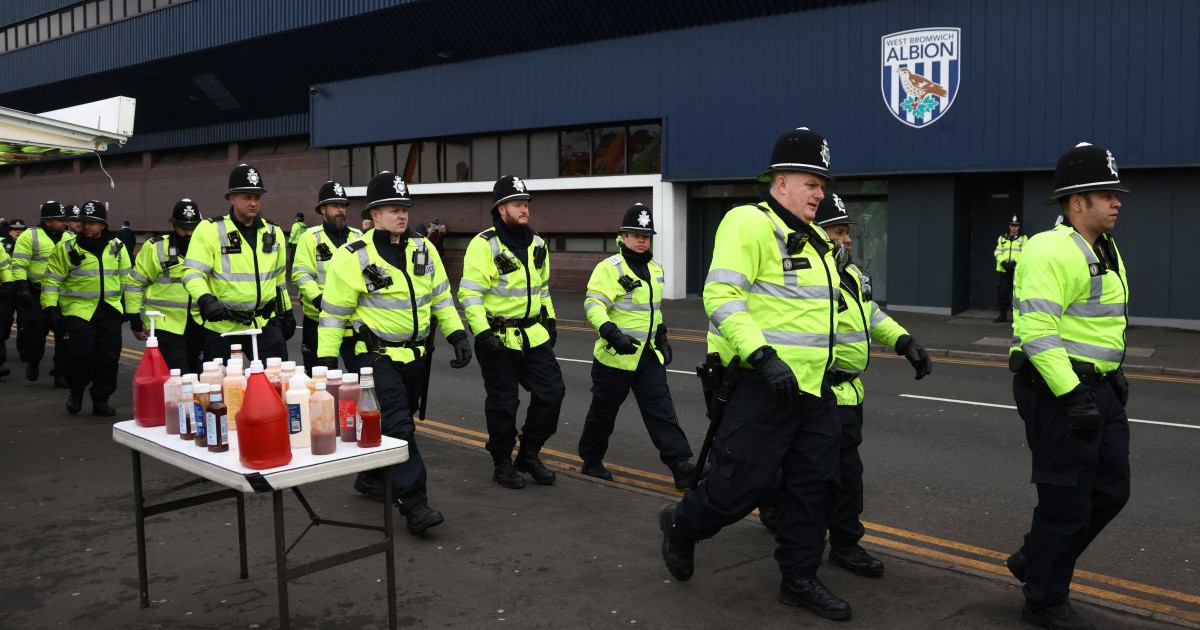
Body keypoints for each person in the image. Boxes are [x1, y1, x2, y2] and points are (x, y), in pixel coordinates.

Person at [658, 127, 851, 621]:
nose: (819, 194)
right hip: (763, 387)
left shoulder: (819, 242)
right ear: (781, 182)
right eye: (811, 183)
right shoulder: (748, 222)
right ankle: (682, 524)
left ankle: (799, 579)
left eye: (822, 185)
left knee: (812, 488)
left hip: (814, 391)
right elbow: (722, 296)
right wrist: (762, 356)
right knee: (739, 487)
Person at [1005, 142, 1132, 630]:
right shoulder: (1049, 249)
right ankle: (1043, 600)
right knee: (1067, 501)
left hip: (1097, 387)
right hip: (1059, 391)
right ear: (1078, 201)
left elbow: (1097, 322)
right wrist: (1074, 395)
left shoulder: (1103, 246)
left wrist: (1112, 372)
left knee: (1112, 490)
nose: (1117, 202)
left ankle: (1036, 556)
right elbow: (1037, 331)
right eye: (1107, 194)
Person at [317, 171, 471, 534]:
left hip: (417, 357)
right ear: (374, 214)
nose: (401, 215)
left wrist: (457, 334)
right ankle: (414, 504)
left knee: (397, 423)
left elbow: (441, 298)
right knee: (399, 425)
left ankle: (370, 478)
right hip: (376, 358)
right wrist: (325, 362)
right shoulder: (353, 257)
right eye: (392, 209)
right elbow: (333, 314)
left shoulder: (423, 248)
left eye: (404, 208)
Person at [791, 193, 932, 577]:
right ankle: (810, 547)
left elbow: (870, 314)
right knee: (819, 476)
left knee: (846, 476)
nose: (848, 239)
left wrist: (905, 342)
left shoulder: (851, 275)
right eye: (839, 231)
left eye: (847, 231)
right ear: (819, 234)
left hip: (849, 393)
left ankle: (844, 545)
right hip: (819, 391)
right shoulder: (807, 276)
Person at [578, 203, 701, 488]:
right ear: (622, 236)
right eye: (635, 235)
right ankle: (591, 460)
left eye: (646, 235)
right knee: (603, 413)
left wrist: (662, 337)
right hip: (615, 357)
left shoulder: (656, 269)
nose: (642, 240)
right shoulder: (609, 268)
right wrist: (611, 333)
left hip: (647, 357)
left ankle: (680, 466)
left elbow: (654, 311)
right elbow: (593, 304)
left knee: (662, 411)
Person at [458, 175, 565, 489]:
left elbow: (543, 289)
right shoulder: (484, 245)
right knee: (504, 404)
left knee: (552, 393)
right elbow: (470, 293)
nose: (524, 209)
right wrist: (482, 333)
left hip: (533, 334)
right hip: (498, 336)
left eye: (526, 203)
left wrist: (551, 321)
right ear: (500, 209)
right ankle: (502, 461)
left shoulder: (537, 243)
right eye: (517, 204)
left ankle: (529, 454)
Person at [182, 163, 296, 362]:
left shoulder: (273, 231)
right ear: (232, 198)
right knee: (220, 381)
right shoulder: (210, 230)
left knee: (276, 379)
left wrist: (286, 311)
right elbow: (192, 272)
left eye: (257, 197)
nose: (253, 203)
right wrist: (206, 299)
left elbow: (279, 280)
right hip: (223, 326)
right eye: (247, 197)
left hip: (264, 324)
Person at [41, 200, 138, 416]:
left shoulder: (117, 247)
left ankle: (101, 399)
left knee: (108, 359)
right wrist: (49, 307)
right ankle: (76, 391)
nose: (86, 226)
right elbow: (51, 280)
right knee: (80, 356)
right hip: (79, 311)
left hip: (110, 311)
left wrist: (130, 310)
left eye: (92, 222)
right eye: (83, 222)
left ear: (102, 224)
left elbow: (128, 280)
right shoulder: (66, 248)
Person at [125, 199, 207, 374]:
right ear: (174, 226)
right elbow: (135, 283)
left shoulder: (207, 248)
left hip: (200, 324)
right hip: (165, 324)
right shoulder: (156, 248)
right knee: (178, 376)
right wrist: (134, 318)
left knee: (200, 376)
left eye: (193, 228)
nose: (189, 233)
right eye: (184, 228)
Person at [292, 181, 362, 373]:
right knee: (319, 379)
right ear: (323, 209)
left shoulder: (358, 237)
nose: (340, 210)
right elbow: (301, 273)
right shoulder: (310, 237)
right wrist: (319, 299)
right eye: (335, 206)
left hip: (352, 321)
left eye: (343, 206)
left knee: (360, 378)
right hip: (318, 320)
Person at [11, 201, 70, 384]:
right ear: (47, 221)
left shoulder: (70, 238)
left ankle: (61, 373)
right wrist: (22, 287)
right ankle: (33, 360)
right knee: (34, 334)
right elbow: (19, 263)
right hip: (37, 293)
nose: (64, 223)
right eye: (60, 220)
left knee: (64, 334)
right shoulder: (30, 236)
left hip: (63, 294)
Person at [0, 218, 27, 377]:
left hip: (23, 287)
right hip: (7, 288)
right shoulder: (2, 244)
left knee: (24, 320)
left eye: (21, 229)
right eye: (14, 229)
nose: (18, 231)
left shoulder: (28, 245)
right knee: (5, 321)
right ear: (9, 231)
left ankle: (24, 350)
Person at [994, 215, 1028, 322]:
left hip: (1016, 271)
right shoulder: (1002, 238)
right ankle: (1002, 315)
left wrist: (1014, 263)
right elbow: (997, 252)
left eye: (1016, 226)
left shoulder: (1023, 238)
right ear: (1009, 226)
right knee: (1002, 293)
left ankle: (1018, 317)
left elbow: (1025, 252)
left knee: (1018, 294)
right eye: (1012, 225)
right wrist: (1003, 262)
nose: (1014, 228)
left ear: (1019, 227)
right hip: (1004, 270)